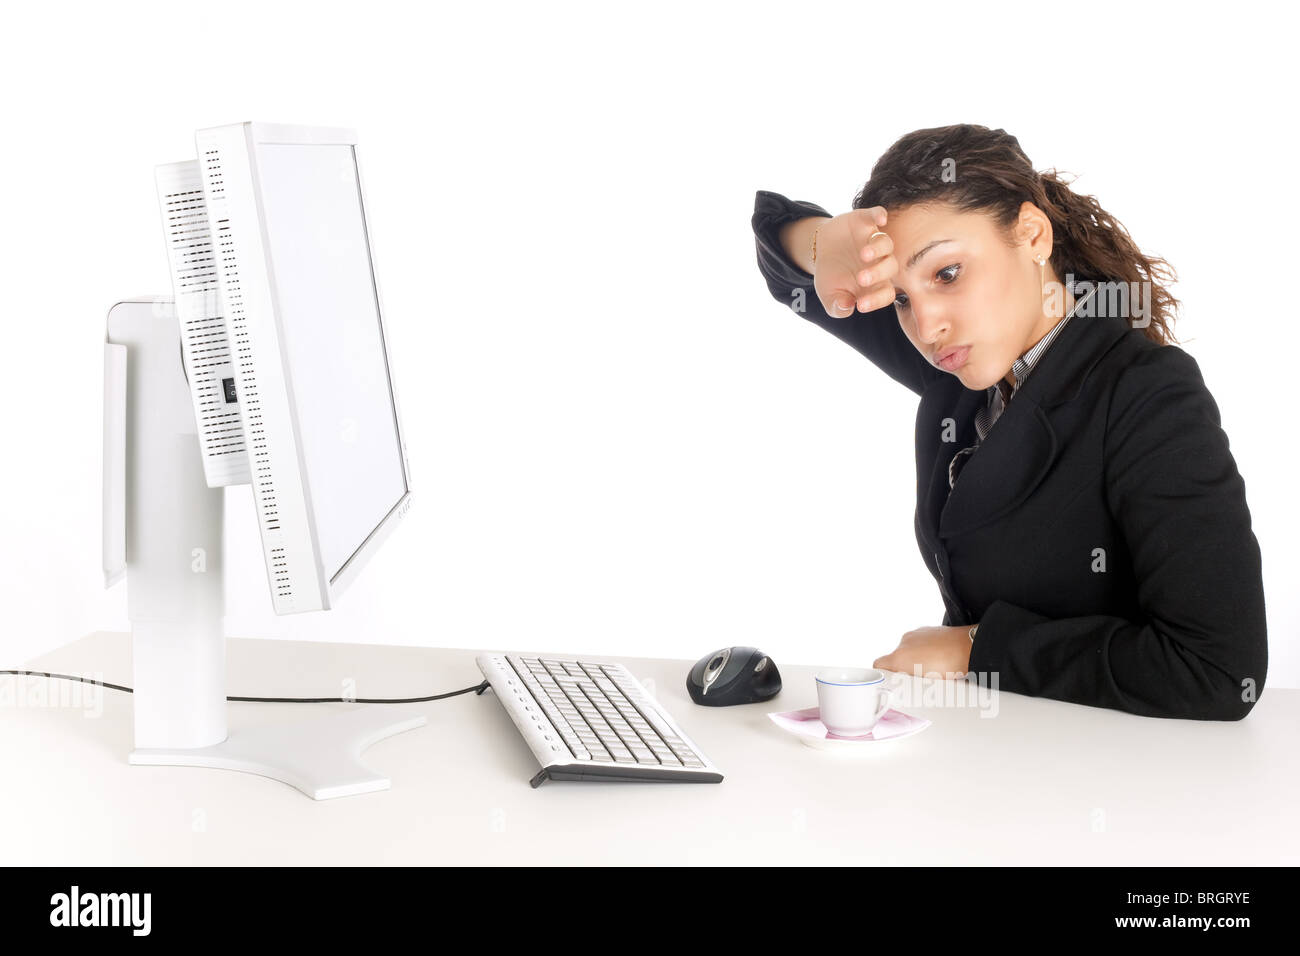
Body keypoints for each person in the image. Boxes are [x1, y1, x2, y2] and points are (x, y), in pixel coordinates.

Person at [751, 123, 1266, 720]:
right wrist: (828, 245)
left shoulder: (1146, 392)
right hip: (985, 754)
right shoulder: (961, 368)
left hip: (1114, 778)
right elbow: (778, 256)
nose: (925, 325)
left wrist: (976, 650)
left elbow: (1221, 670)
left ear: (1031, 234)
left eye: (946, 273)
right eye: (898, 297)